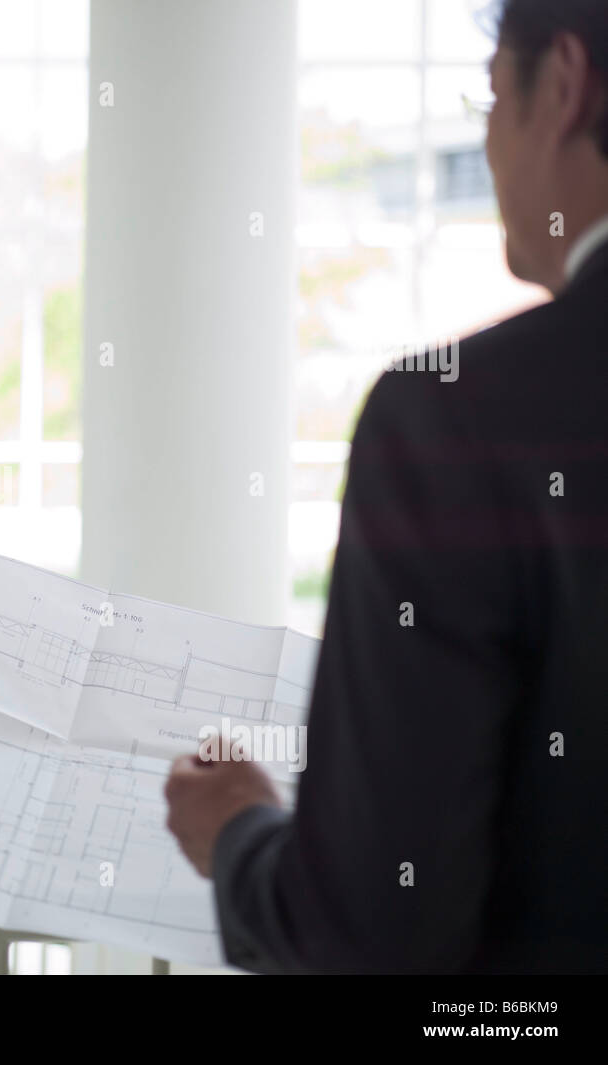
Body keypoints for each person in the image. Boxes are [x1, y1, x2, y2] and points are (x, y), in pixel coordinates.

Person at [166, 0, 608, 974]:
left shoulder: (457, 419)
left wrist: (237, 831)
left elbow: (371, 931)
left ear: (563, 86)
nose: (490, 147)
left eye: (492, 98)